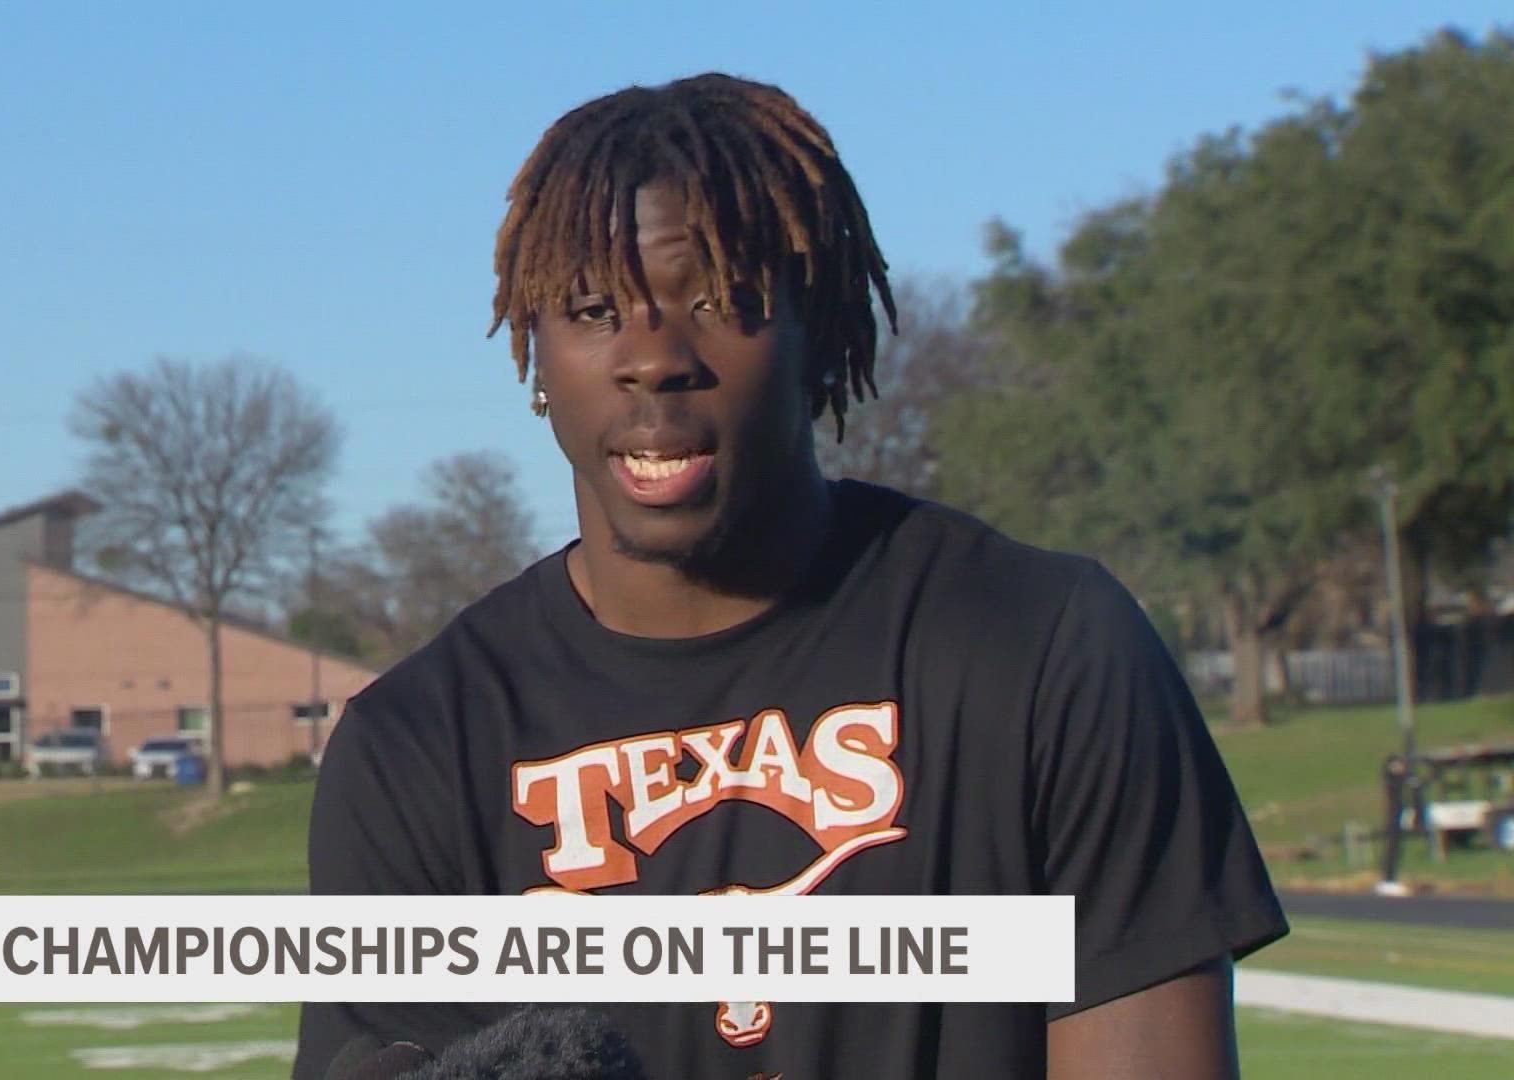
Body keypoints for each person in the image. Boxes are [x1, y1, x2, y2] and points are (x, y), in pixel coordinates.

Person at [294, 72, 1287, 1080]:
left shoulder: (1042, 647)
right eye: (594, 309)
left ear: (824, 331)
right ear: (537, 358)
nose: (654, 360)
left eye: (722, 301)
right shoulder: (414, 750)